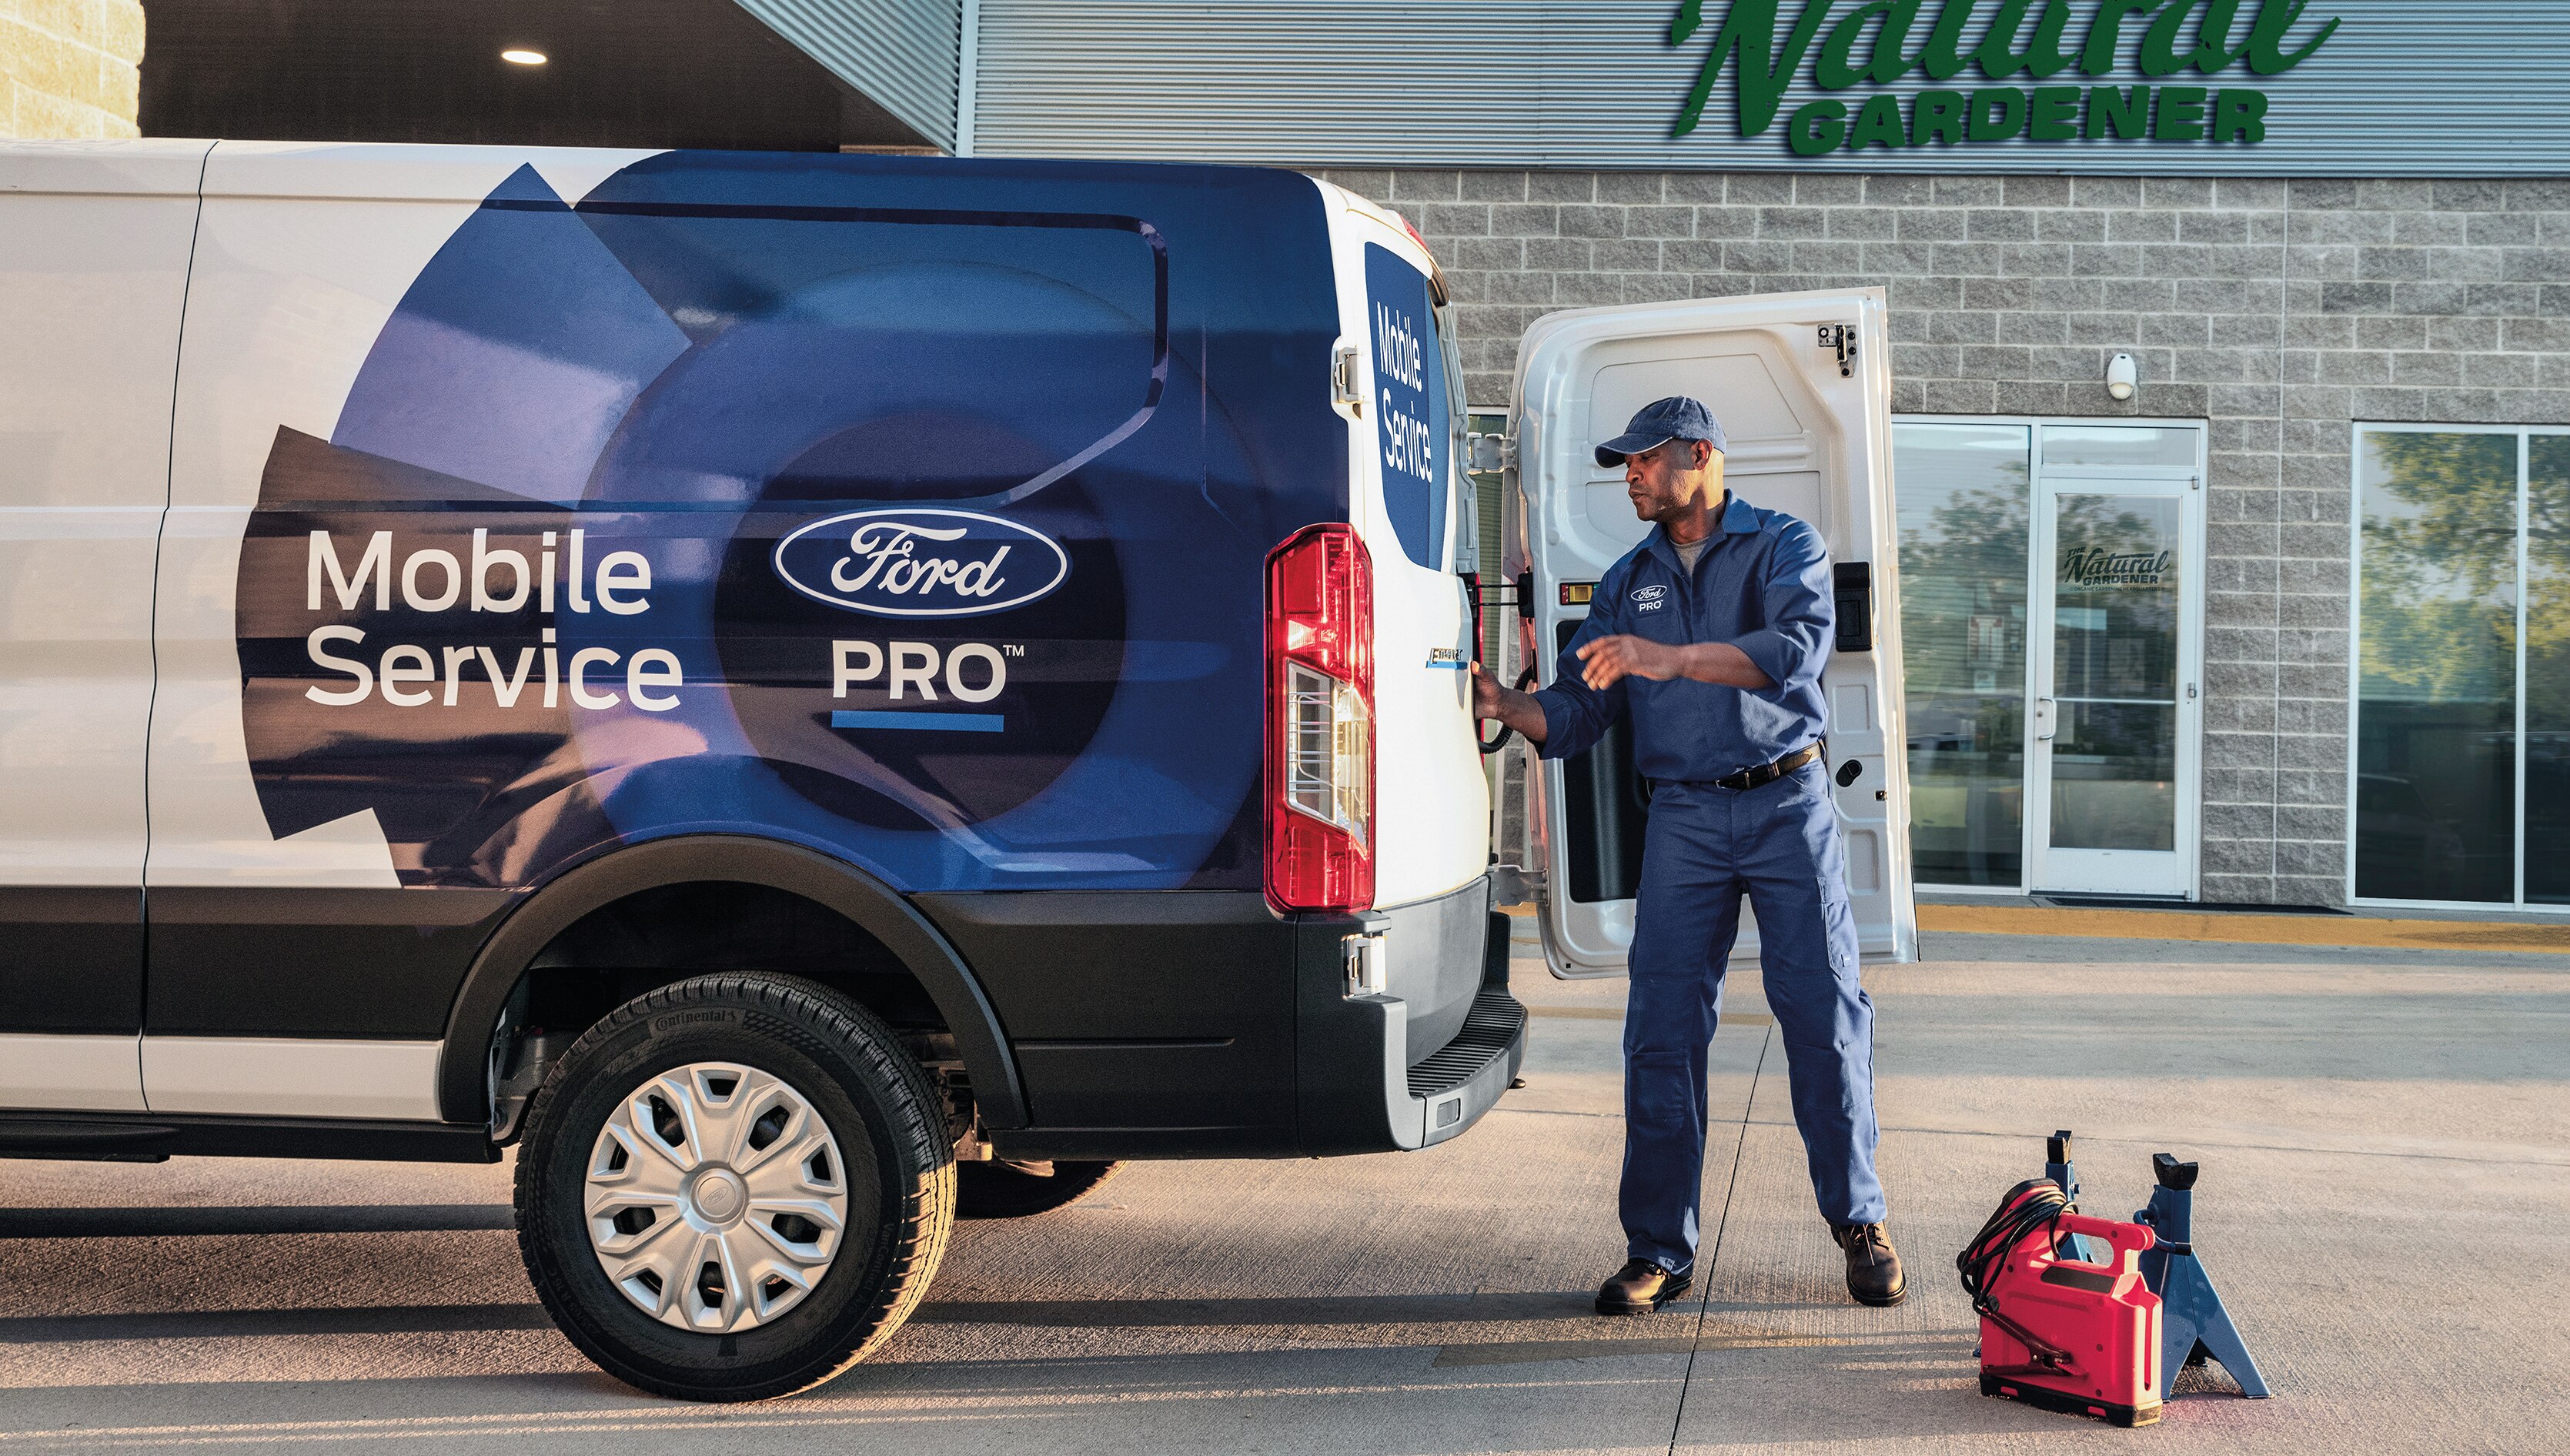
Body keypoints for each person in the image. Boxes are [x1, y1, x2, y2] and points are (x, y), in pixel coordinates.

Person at [1472, 396, 1902, 1314]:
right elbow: (1579, 707)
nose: (1627, 473)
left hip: (1788, 804)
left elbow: (1793, 651)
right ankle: (1659, 1247)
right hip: (1686, 822)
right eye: (1623, 462)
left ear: (1699, 454)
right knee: (1662, 1028)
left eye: (1641, 459)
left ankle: (1859, 1223)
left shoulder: (1785, 544)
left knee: (1824, 1015)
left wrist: (1667, 659)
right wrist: (1511, 709)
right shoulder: (1631, 580)